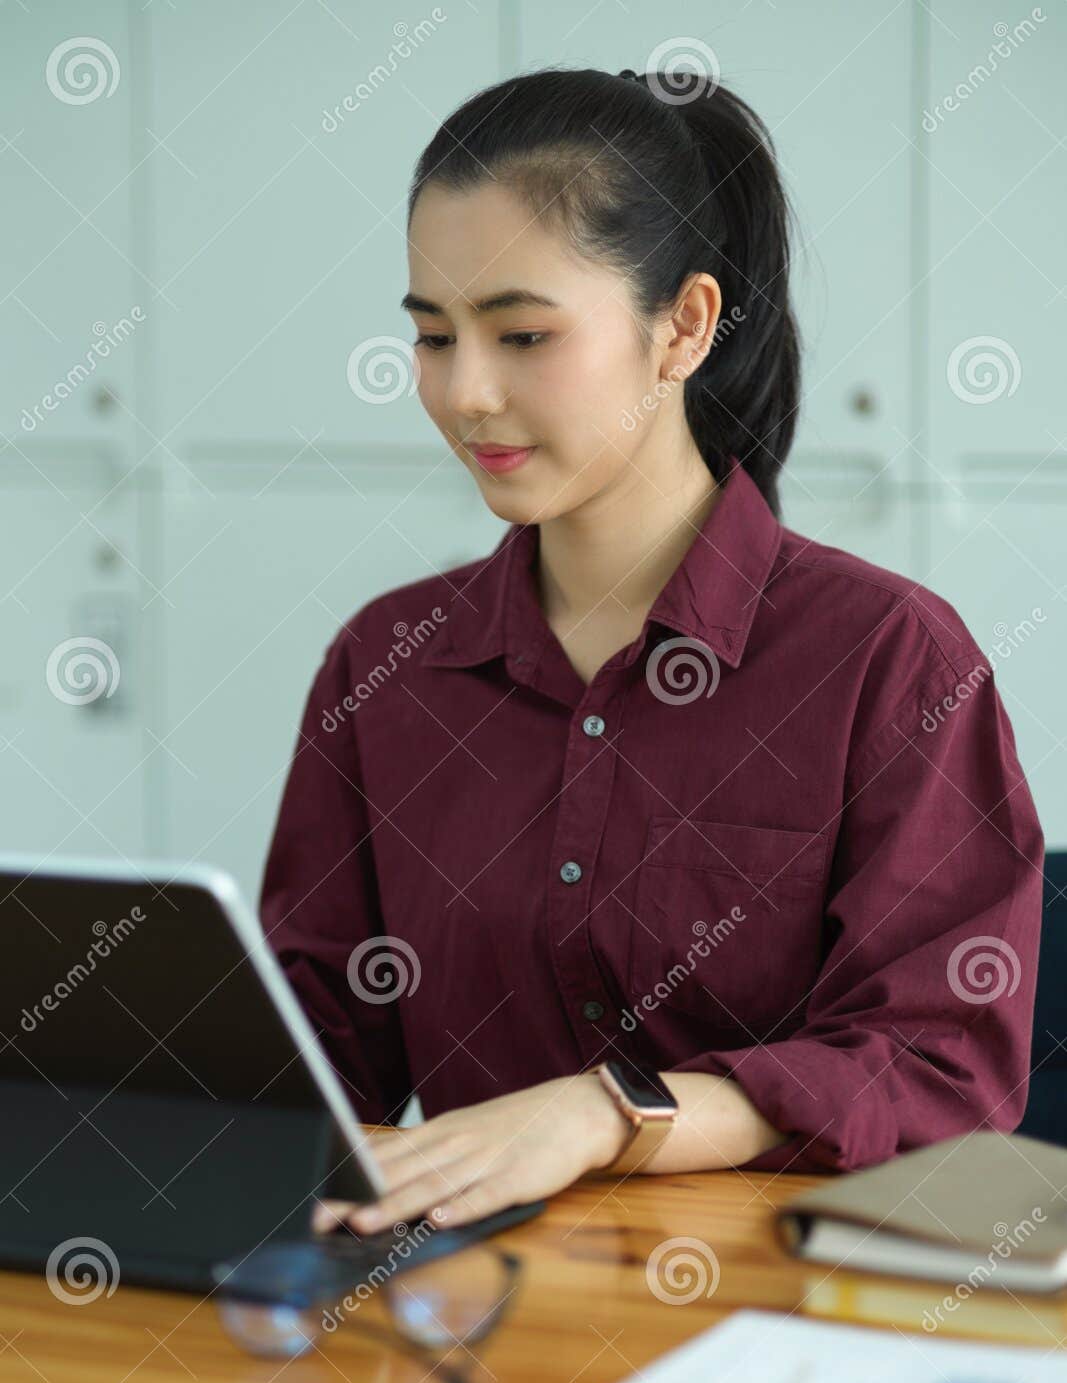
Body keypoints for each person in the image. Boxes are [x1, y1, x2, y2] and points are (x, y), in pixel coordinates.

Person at [258, 66, 1043, 1235]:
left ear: (682, 327)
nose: (465, 393)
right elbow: (314, 1055)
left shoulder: (887, 659)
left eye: (522, 334)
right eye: (431, 335)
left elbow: (939, 1070)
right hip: (471, 1297)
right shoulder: (386, 663)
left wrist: (603, 1113)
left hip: (780, 1304)